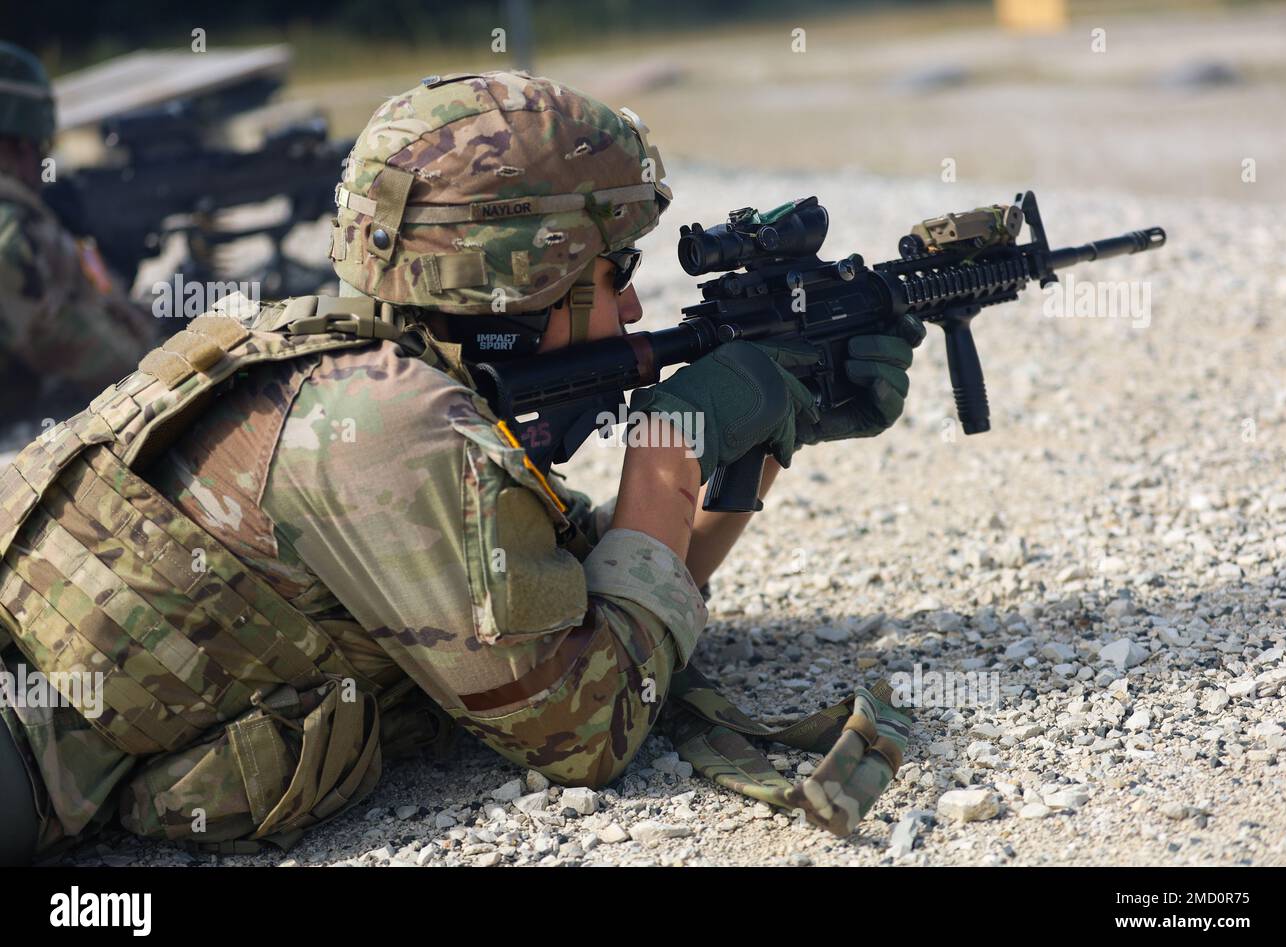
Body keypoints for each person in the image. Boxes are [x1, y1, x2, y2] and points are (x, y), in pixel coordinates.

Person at [0, 71, 914, 863]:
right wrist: (669, 459)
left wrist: (764, 439)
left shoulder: (385, 370)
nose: (635, 301)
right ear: (520, 281)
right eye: (616, 267)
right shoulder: (386, 426)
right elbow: (589, 725)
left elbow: (595, 607)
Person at [0, 41, 155, 423]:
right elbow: (73, 345)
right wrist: (164, 363)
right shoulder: (10, 229)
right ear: (20, 144)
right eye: (43, 148)